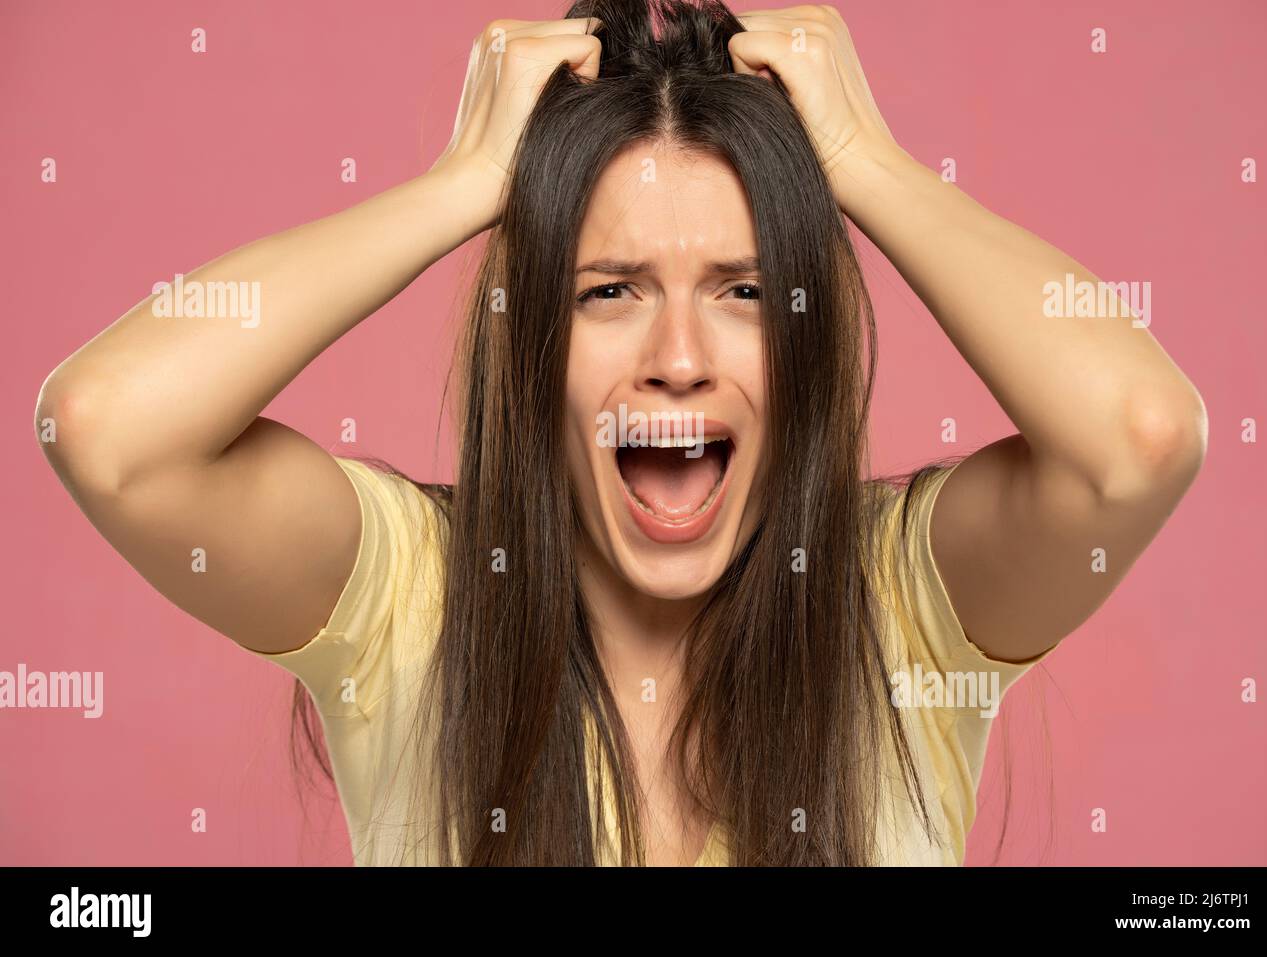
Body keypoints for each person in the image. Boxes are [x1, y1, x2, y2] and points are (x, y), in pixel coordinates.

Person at [35, 0, 1206, 866]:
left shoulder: (898, 602)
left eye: (744, 290)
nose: (679, 356)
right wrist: (462, 185)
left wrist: (866, 165)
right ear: (532, 339)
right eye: (610, 290)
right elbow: (110, 428)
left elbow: (1138, 440)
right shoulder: (416, 601)